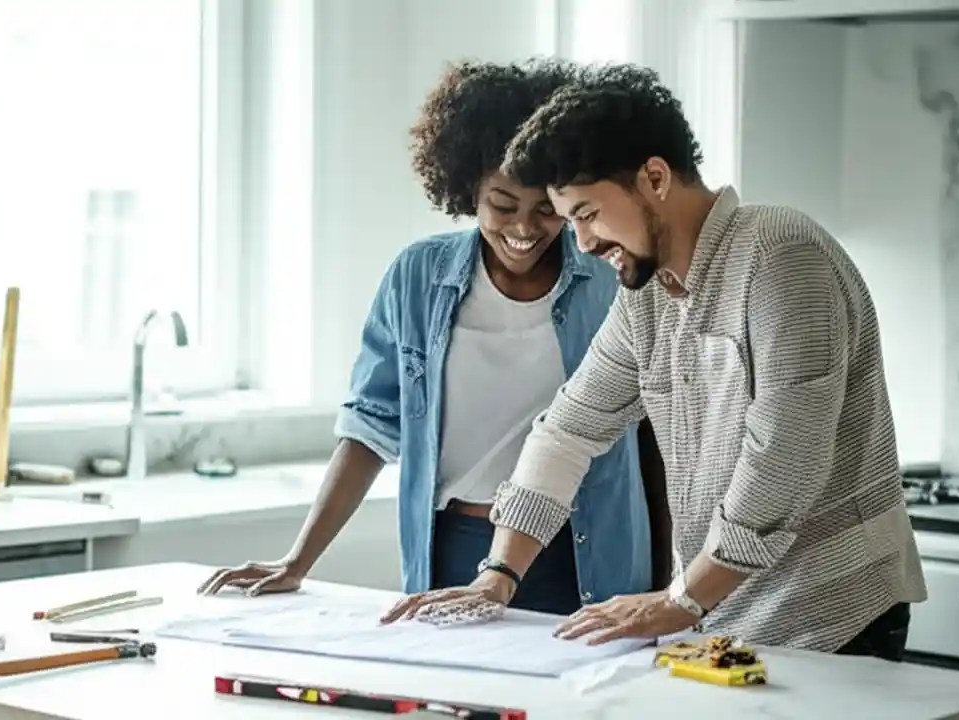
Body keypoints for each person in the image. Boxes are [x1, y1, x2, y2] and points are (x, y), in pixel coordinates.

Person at [384, 63, 927, 660]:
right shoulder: (647, 296)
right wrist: (500, 575)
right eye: (572, 222)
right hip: (727, 611)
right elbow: (569, 429)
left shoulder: (781, 256)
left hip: (833, 611)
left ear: (655, 177)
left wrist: (680, 601)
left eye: (588, 214)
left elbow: (785, 461)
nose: (583, 243)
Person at [197, 59, 670, 616]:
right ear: (468, 188)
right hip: (453, 547)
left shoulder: (611, 279)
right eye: (502, 205)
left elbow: (650, 440)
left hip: (590, 550)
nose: (523, 229)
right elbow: (370, 426)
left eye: (546, 210)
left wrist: (663, 585)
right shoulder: (417, 278)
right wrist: (298, 561)